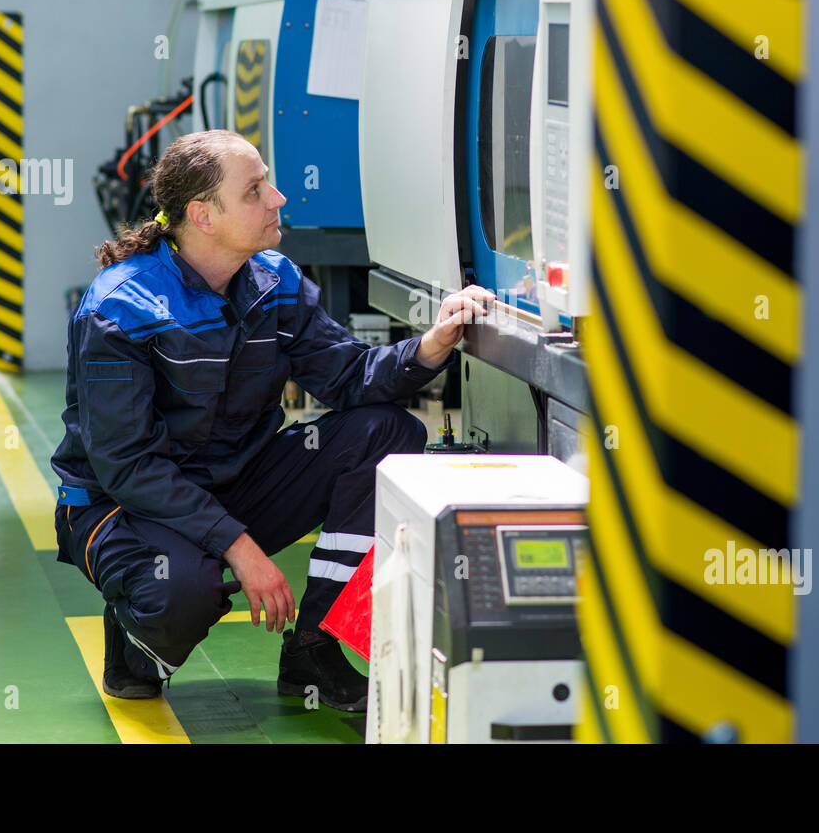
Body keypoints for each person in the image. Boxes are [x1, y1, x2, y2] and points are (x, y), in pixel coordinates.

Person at [49, 129, 492, 712]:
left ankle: (315, 644)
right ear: (203, 215)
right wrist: (239, 547)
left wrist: (429, 348)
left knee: (387, 432)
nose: (278, 198)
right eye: (255, 189)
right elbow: (127, 464)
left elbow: (347, 375)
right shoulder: (121, 308)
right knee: (182, 591)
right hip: (122, 506)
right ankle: (134, 636)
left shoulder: (272, 282)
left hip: (234, 485)